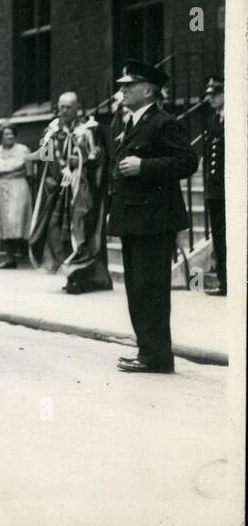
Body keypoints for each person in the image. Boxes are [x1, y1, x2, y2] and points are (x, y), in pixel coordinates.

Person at [108, 59, 198, 374]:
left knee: (152, 289)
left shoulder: (163, 122)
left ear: (147, 90)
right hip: (133, 218)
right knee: (136, 288)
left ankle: (157, 356)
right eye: (122, 86)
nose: (122, 91)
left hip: (155, 220)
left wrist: (144, 166)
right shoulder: (124, 123)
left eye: (128, 86)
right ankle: (147, 351)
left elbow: (187, 161)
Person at [29, 92, 112, 293]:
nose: (63, 111)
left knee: (81, 232)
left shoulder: (88, 129)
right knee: (56, 231)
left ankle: (84, 278)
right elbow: (46, 156)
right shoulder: (52, 130)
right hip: (58, 189)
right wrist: (47, 173)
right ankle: (70, 274)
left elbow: (97, 156)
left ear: (77, 108)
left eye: (68, 107)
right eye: (61, 107)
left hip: (80, 190)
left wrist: (82, 161)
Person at [0, 122, 33, 268]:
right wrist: (8, 171)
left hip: (17, 186)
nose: (10, 136)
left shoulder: (23, 150)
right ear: (1, 136)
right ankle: (10, 258)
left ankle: (26, 255)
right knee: (4, 222)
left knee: (18, 220)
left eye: (12, 133)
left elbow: (27, 171)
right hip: (1, 187)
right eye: (6, 134)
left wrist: (5, 171)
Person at [201, 76, 225, 296]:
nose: (210, 98)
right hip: (215, 190)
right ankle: (224, 282)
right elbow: (208, 158)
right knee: (219, 236)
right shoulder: (211, 121)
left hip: (229, 189)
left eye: (215, 94)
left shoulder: (235, 119)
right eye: (209, 95)